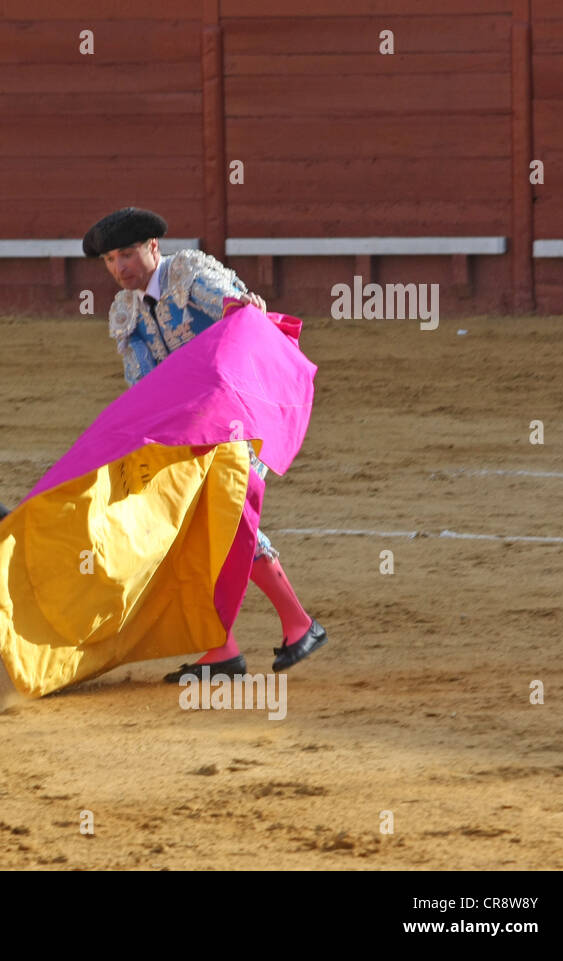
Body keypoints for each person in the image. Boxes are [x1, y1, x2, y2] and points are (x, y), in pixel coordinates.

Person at [82, 206, 328, 681]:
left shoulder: (189, 274)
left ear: (153, 247)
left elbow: (236, 309)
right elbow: (141, 382)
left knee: (226, 515)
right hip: (187, 431)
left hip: (241, 414)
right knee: (190, 528)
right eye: (110, 260)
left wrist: (241, 305)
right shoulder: (124, 310)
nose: (119, 269)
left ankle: (290, 627)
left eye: (127, 255)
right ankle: (229, 648)